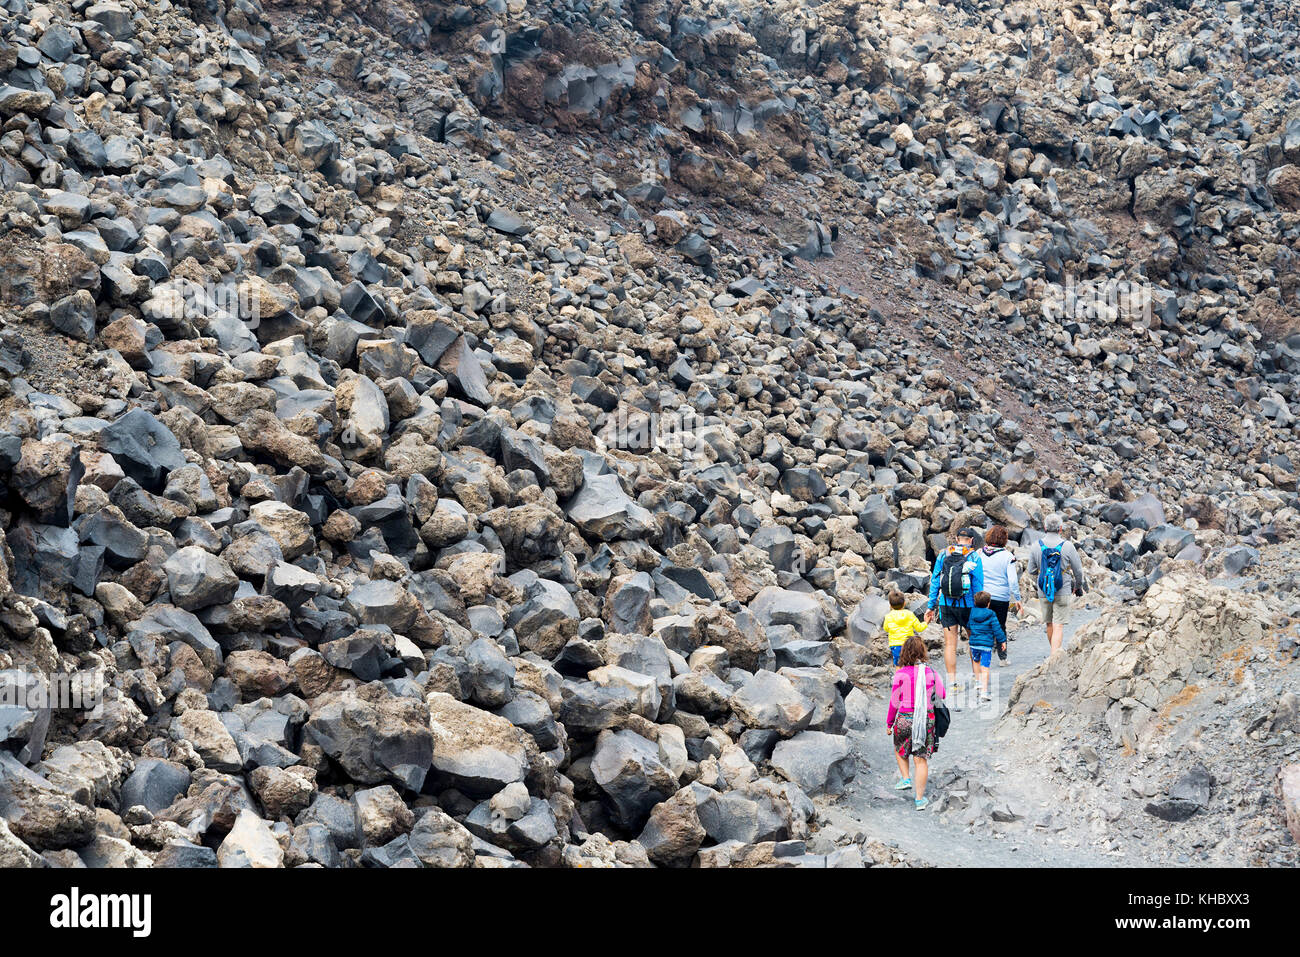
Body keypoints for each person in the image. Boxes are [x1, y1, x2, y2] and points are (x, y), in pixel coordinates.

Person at [924, 526, 983, 706]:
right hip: (969, 605)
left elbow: (935, 581)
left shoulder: (943, 555)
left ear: (957, 538)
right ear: (971, 540)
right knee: (975, 641)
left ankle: (952, 683)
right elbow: (978, 584)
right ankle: (978, 680)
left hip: (946, 604)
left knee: (950, 643)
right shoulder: (974, 557)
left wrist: (930, 606)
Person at [886, 636, 946, 811]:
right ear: (922, 652)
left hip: (904, 718)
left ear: (904, 653)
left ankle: (905, 778)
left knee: (899, 748)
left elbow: (894, 702)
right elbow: (942, 694)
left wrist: (889, 723)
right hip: (925, 720)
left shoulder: (900, 674)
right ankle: (919, 800)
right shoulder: (931, 672)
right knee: (920, 761)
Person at [1025, 514, 1087, 654]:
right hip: (1063, 588)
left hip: (1044, 589)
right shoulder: (1068, 546)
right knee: (1058, 625)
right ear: (1060, 528)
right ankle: (1055, 656)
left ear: (1045, 527)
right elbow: (1078, 570)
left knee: (1049, 624)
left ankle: (1053, 653)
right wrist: (1078, 585)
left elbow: (1031, 570)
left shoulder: (1036, 546)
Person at [978, 525, 1022, 667]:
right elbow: (1013, 581)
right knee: (1000, 627)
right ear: (1004, 539)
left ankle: (982, 656)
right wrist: (1017, 598)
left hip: (983, 596)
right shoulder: (1007, 556)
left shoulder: (980, 553)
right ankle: (1002, 658)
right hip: (1001, 597)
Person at [966, 591, 1006, 701]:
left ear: (975, 602)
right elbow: (997, 629)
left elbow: (968, 625)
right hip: (986, 645)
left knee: (976, 661)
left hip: (974, 643)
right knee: (985, 667)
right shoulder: (991, 614)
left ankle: (978, 682)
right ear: (988, 603)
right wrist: (1002, 641)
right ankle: (984, 692)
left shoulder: (972, 612)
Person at [882, 589, 927, 665]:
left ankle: (898, 677)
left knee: (898, 665)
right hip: (909, 645)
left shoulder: (888, 616)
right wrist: (926, 622)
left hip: (896, 646)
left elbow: (886, 628)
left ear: (890, 605)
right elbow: (919, 628)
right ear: (904, 604)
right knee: (911, 664)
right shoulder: (909, 614)